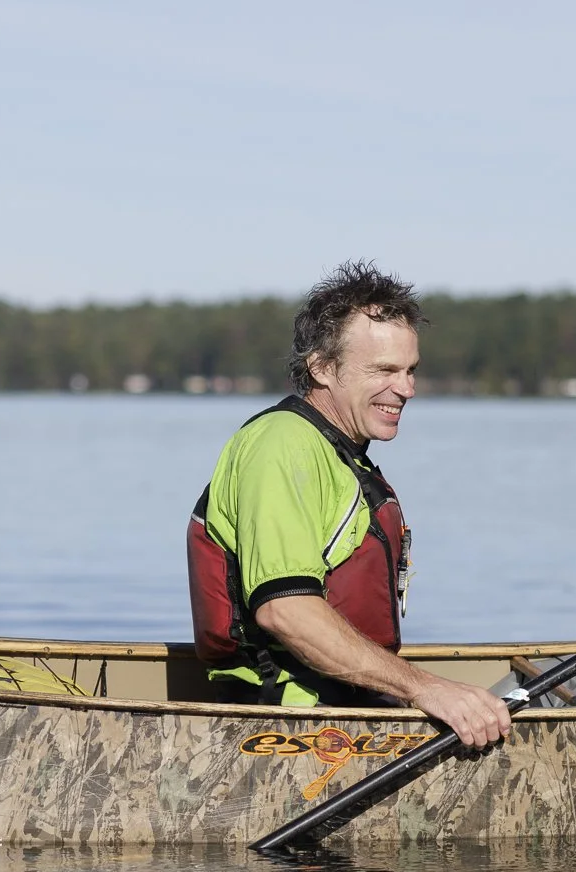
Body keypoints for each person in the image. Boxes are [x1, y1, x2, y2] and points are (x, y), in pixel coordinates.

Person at [187, 262, 513, 747]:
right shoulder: (283, 445)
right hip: (290, 729)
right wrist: (428, 689)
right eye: (384, 370)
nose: (406, 389)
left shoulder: (341, 455)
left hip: (342, 709)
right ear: (320, 367)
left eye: (409, 371)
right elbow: (286, 611)